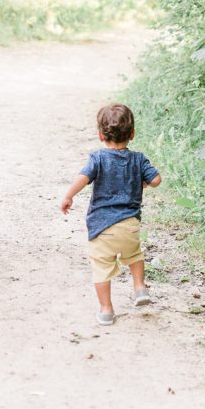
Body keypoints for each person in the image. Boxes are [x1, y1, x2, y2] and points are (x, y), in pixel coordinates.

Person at [60, 103, 161, 326]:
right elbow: (156, 180)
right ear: (132, 134)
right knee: (134, 256)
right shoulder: (138, 159)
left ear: (100, 135)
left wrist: (68, 196)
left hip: (101, 228)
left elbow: (83, 178)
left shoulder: (97, 159)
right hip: (130, 225)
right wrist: (142, 181)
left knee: (101, 268)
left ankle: (106, 310)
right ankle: (140, 288)